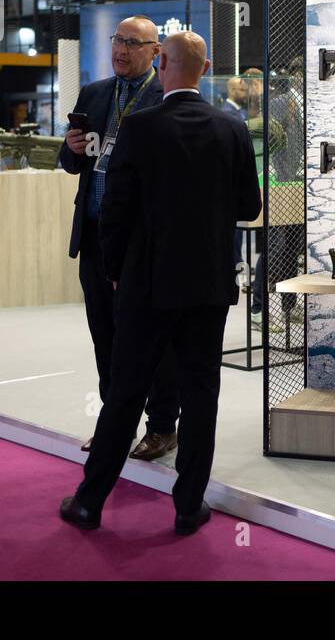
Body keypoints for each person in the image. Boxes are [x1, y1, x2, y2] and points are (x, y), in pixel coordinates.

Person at [60, 32, 261, 534]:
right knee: (200, 397)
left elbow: (115, 210)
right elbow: (249, 208)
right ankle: (188, 506)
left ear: (162, 61)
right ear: (207, 67)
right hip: (209, 288)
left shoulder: (140, 127)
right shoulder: (232, 127)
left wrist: (113, 271)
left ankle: (89, 502)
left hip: (146, 286)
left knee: (125, 394)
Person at [59, 15, 181, 462]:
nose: (121, 49)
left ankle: (163, 426)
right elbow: (71, 163)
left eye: (132, 43)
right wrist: (71, 149)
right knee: (105, 335)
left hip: (141, 242)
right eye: (117, 40)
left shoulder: (164, 97)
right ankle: (115, 425)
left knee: (153, 338)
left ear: (155, 52)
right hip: (94, 237)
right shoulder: (94, 94)